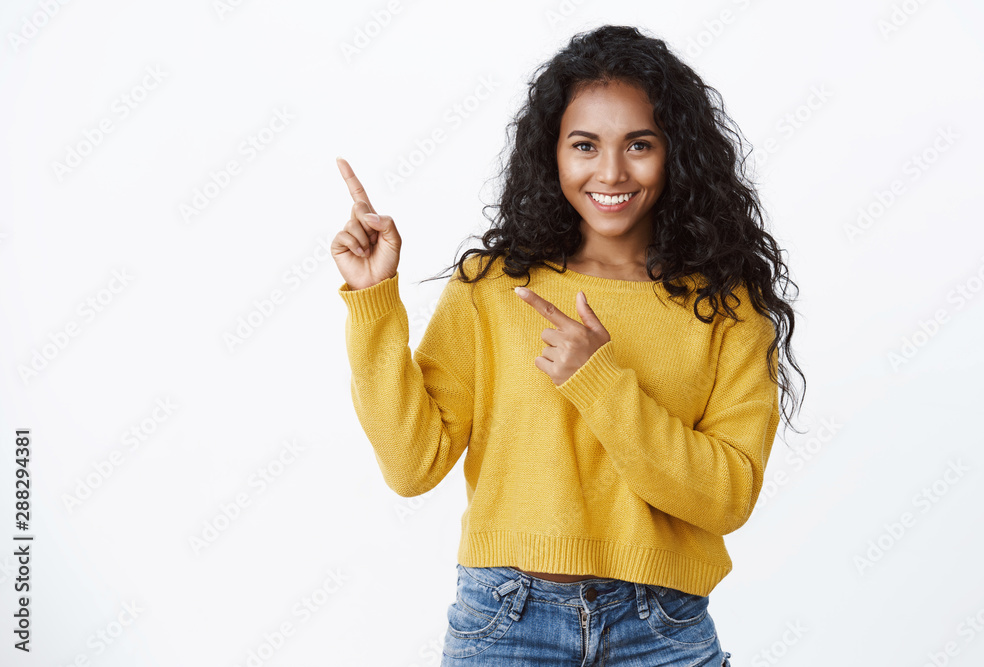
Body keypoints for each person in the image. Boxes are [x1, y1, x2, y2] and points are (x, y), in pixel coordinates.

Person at [332, 24, 805, 667]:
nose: (611, 172)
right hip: (507, 622)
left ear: (677, 153)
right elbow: (413, 467)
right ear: (552, 153)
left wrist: (600, 381)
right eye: (585, 145)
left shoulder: (726, 305)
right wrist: (373, 301)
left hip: (661, 630)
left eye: (639, 144)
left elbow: (725, 499)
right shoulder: (496, 289)